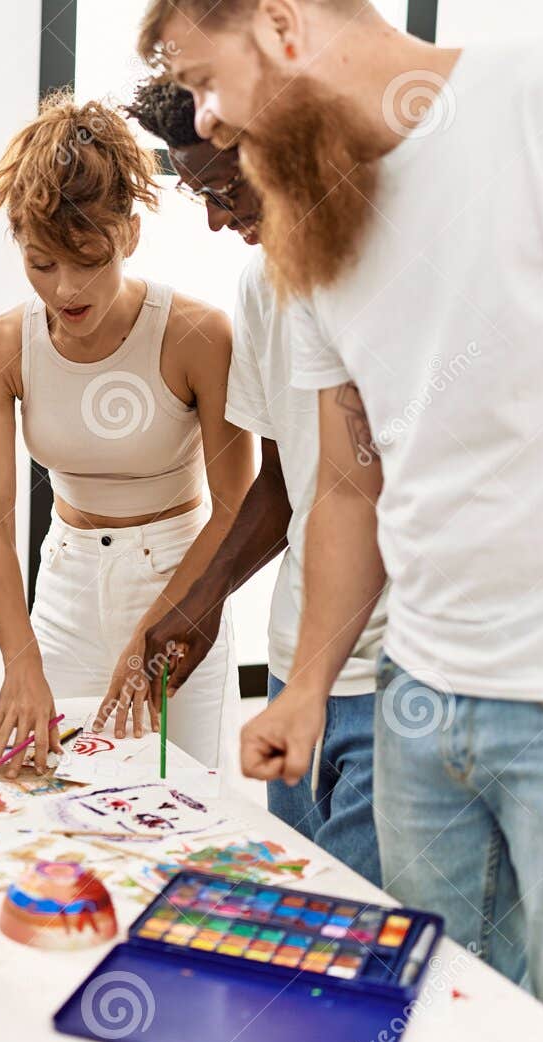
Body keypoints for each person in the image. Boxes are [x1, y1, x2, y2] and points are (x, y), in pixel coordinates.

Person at [141, 0, 543, 1042]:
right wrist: (303, 681)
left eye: (205, 81)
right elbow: (347, 485)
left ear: (283, 26)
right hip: (419, 717)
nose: (202, 122)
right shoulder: (311, 222)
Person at [125, 77, 385, 881]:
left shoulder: (390, 274)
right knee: (299, 915)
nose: (214, 218)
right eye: (196, 194)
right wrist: (199, 602)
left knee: (361, 942)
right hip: (292, 666)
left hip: (398, 680)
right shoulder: (260, 285)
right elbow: (282, 486)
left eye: (224, 188)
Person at [0, 95, 250, 772]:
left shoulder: (197, 335)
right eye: (40, 263)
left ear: (128, 233)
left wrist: (157, 632)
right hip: (63, 589)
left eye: (87, 259)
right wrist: (20, 659)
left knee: (183, 809)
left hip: (181, 582)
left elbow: (237, 507)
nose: (64, 288)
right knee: (53, 808)